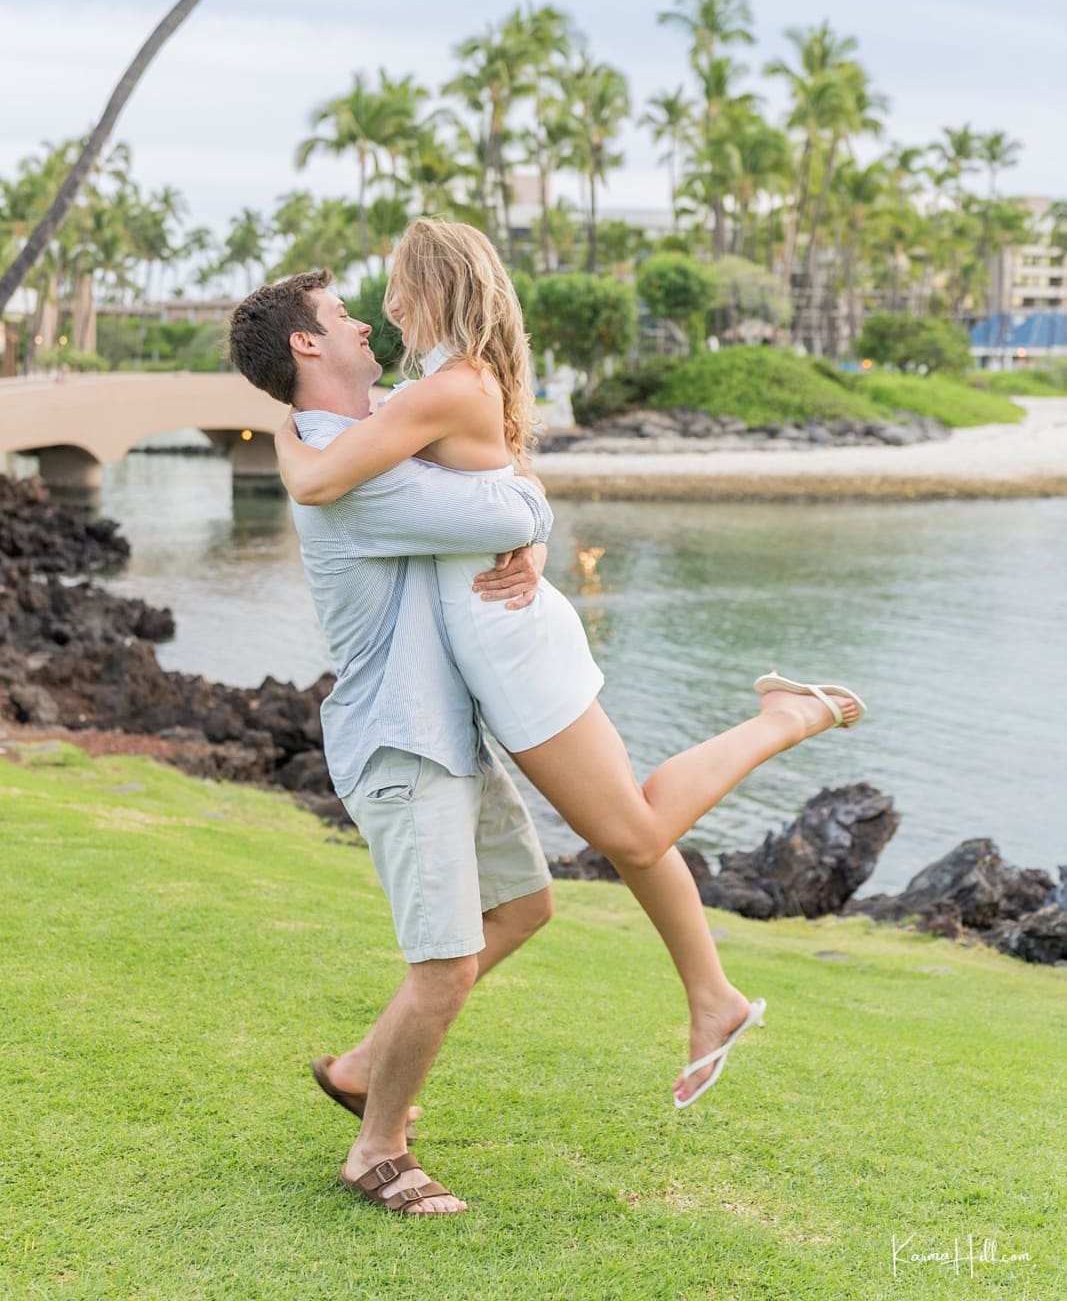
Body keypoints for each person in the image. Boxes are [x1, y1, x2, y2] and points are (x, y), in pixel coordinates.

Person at [276, 220, 867, 1114]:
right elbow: (505, 491)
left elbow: (319, 482)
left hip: (510, 643)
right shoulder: (436, 385)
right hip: (496, 638)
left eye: (398, 287)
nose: (387, 307)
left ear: (433, 289)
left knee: (630, 833)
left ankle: (785, 717)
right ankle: (713, 1001)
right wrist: (536, 532)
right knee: (628, 828)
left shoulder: (445, 388)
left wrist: (278, 423)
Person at [230, 271, 563, 1217]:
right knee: (446, 961)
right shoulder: (344, 466)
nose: (364, 320)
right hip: (400, 737)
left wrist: (520, 513)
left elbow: (498, 483)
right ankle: (375, 1150)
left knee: (528, 906)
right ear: (304, 346)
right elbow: (506, 503)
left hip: (445, 723)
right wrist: (530, 523)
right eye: (340, 316)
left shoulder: (366, 441)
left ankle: (363, 1068)